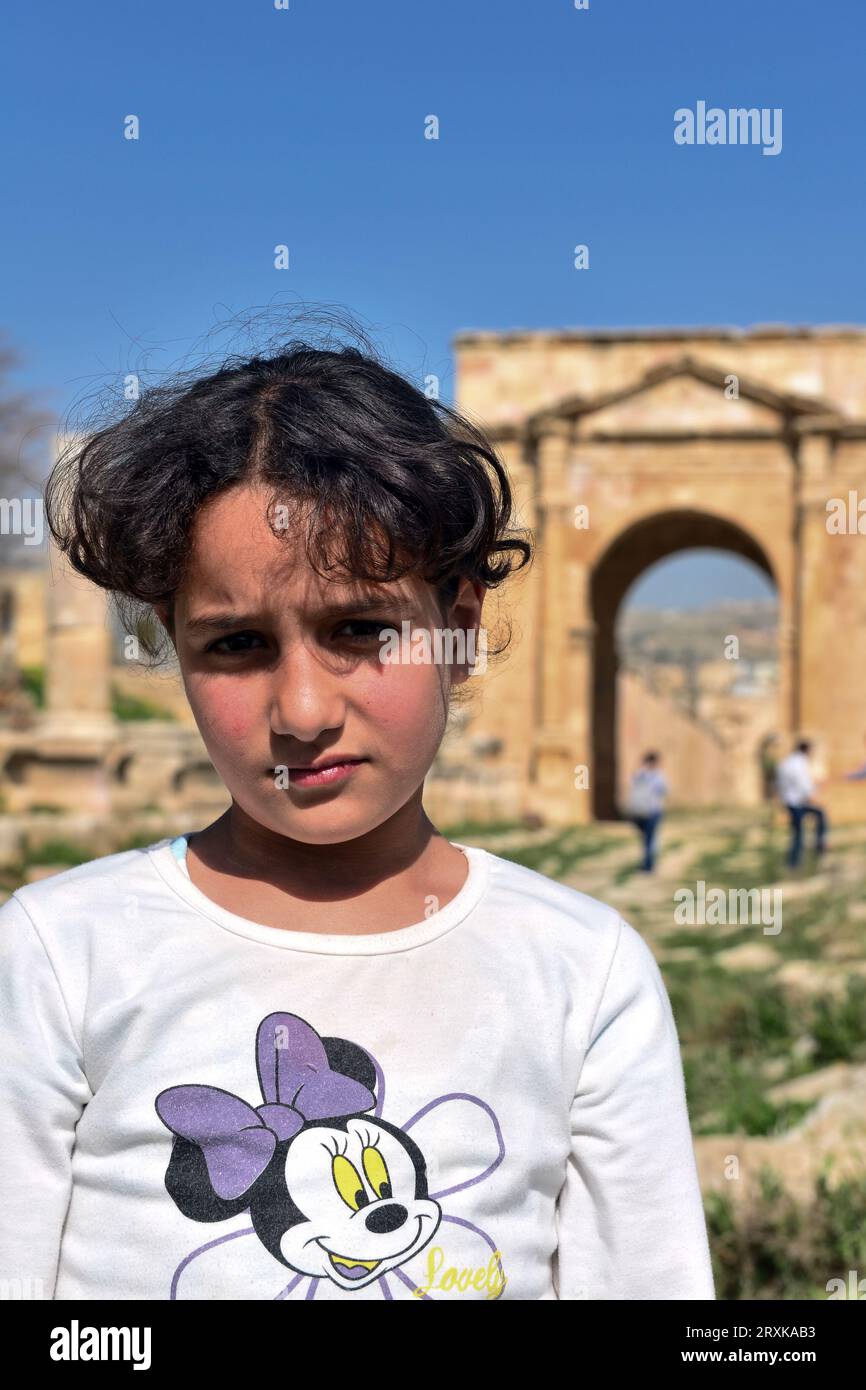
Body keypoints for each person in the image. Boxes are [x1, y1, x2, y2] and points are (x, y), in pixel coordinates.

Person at [0, 321, 715, 1302]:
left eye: (359, 629)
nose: (301, 711)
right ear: (173, 645)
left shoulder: (583, 976)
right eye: (239, 644)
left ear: (457, 633)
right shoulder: (55, 956)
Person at [775, 738, 828, 870]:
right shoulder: (800, 764)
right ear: (807, 750)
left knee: (818, 815)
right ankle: (795, 862)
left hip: (790, 801)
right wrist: (813, 795)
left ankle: (817, 847)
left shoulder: (786, 762)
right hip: (797, 802)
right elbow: (803, 784)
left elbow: (780, 784)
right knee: (799, 833)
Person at [626, 751, 669, 872]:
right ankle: (648, 865)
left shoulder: (640, 774)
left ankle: (647, 864)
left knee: (647, 839)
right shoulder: (657, 776)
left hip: (641, 812)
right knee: (650, 839)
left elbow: (632, 785)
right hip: (652, 811)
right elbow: (664, 791)